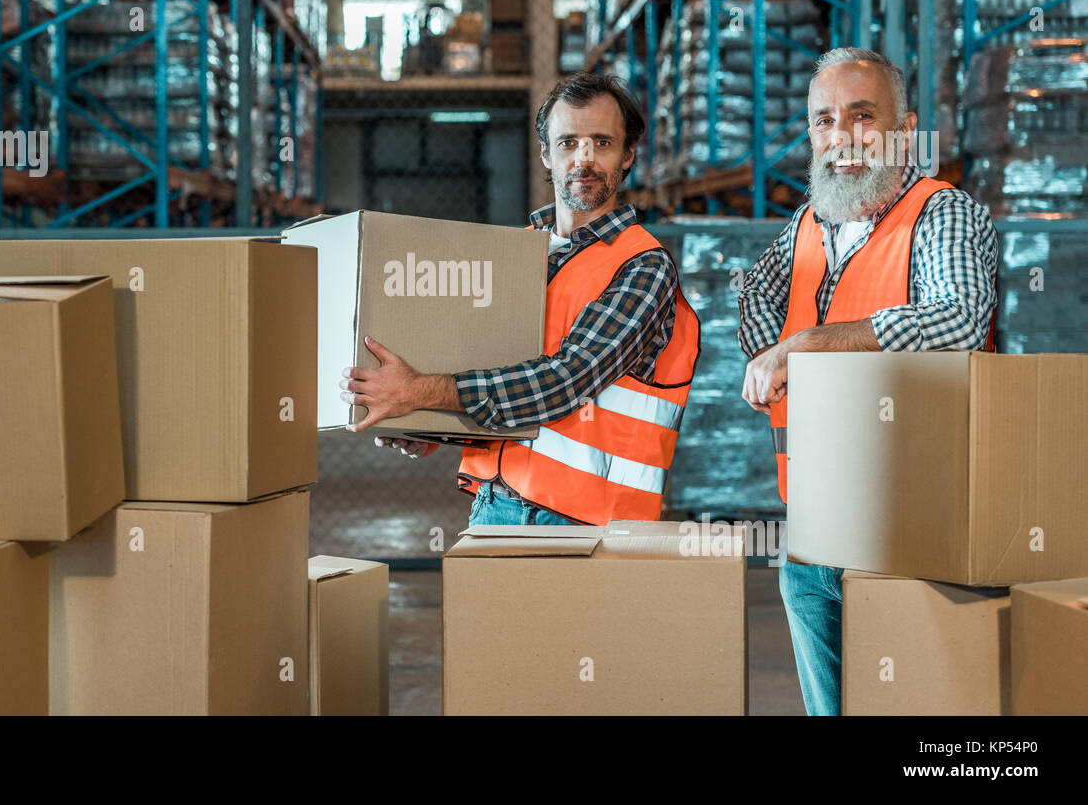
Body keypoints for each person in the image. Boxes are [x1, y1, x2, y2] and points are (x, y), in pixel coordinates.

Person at [737, 47, 998, 715]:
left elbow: (960, 319)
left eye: (862, 116)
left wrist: (810, 344)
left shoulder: (943, 214)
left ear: (904, 129)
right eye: (824, 121)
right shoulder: (807, 224)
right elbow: (755, 295)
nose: (841, 137)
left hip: (914, 529)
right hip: (815, 529)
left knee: (915, 714)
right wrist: (766, 352)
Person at [338, 71, 700, 526]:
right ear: (546, 155)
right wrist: (434, 425)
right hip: (493, 502)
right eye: (568, 143)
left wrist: (418, 391)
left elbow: (565, 381)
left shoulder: (643, 265)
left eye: (602, 143)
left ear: (628, 156)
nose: (583, 160)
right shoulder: (519, 252)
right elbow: (491, 370)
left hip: (587, 525)